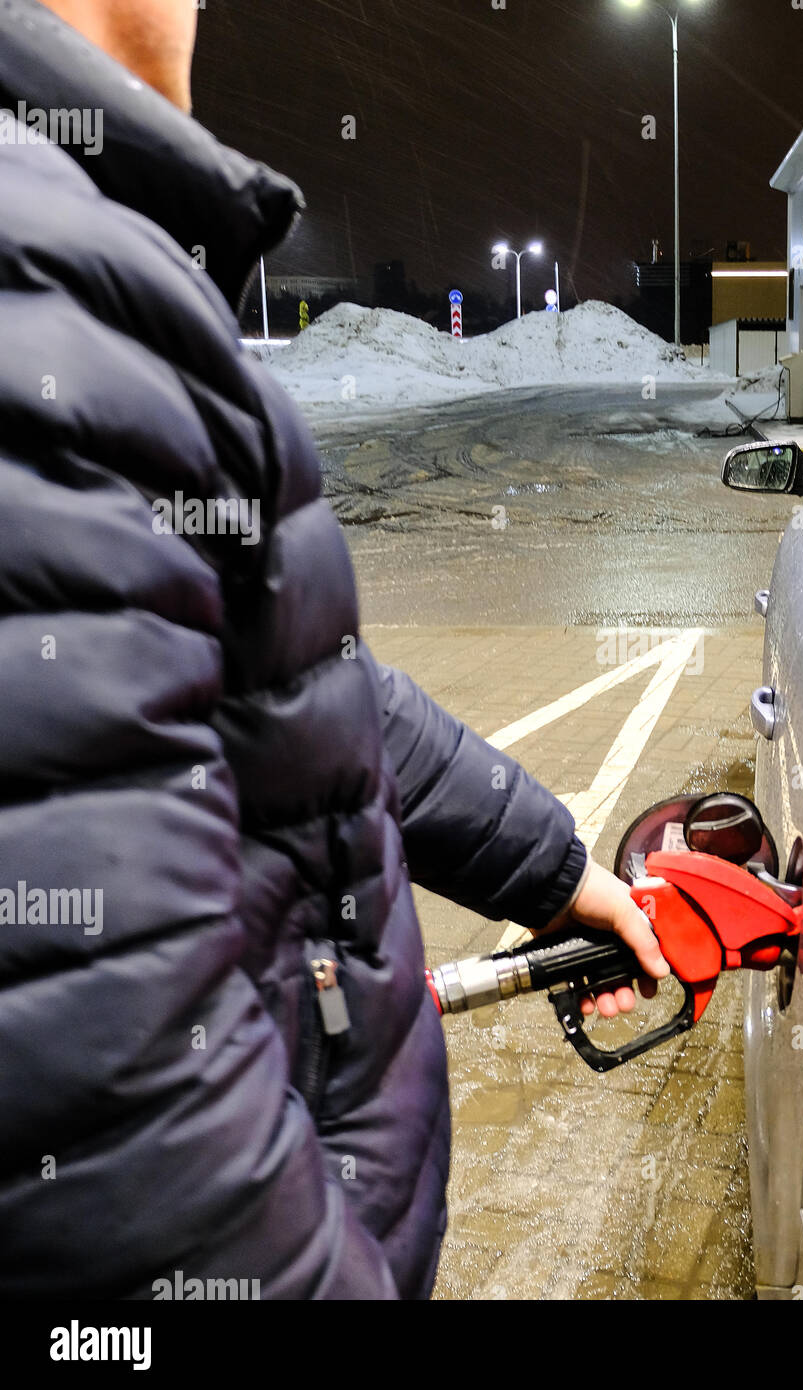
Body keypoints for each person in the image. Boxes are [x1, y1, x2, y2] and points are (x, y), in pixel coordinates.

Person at [0, 0, 669, 1299]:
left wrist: (550, 867)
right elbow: (105, 1104)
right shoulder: (45, 286)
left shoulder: (85, 259)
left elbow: (291, 688)